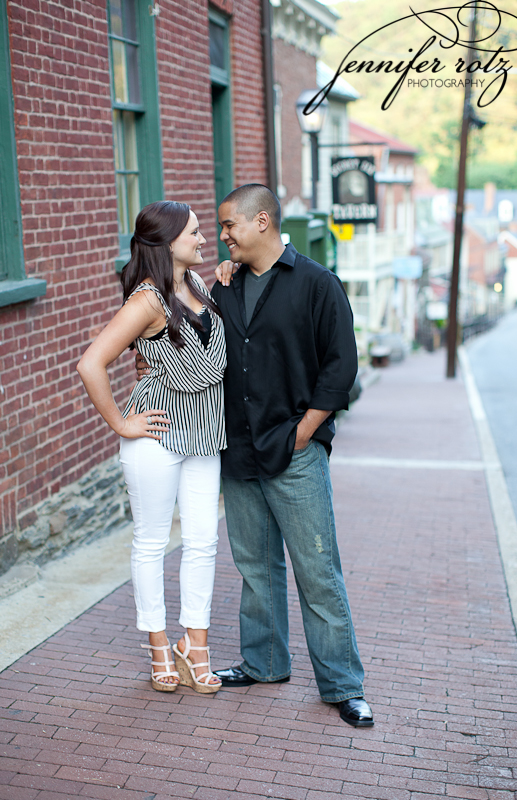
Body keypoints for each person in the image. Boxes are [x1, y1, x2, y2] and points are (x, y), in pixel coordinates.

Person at [138, 185, 373, 726]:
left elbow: (341, 368)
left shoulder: (317, 284)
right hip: (237, 450)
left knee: (318, 572)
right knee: (255, 567)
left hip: (295, 452)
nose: (222, 236)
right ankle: (264, 663)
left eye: (228, 226)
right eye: (218, 229)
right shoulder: (222, 285)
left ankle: (343, 686)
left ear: (261, 221)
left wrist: (305, 432)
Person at [77, 200, 226, 694]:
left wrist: (227, 270)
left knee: (203, 542)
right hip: (158, 435)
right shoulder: (146, 300)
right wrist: (121, 423)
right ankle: (160, 647)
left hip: (203, 434)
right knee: (152, 543)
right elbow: (90, 363)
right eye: (196, 234)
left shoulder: (198, 284)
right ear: (167, 243)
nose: (205, 240)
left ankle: (196, 646)